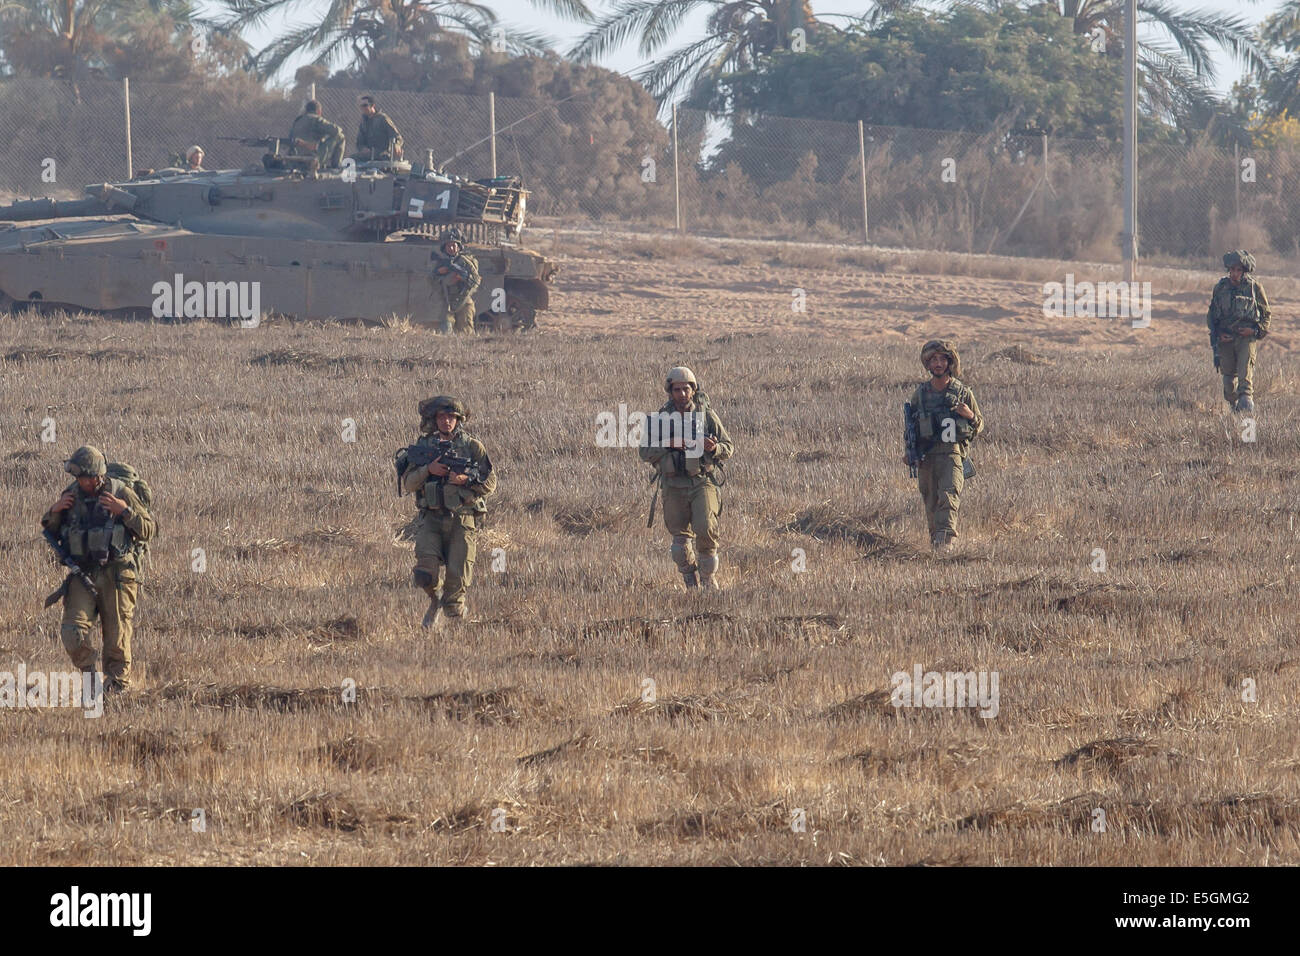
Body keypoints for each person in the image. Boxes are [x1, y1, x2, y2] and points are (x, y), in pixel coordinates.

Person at [40, 446, 156, 694]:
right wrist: (55, 510)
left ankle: (116, 689)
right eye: (77, 477)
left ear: (97, 476)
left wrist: (124, 511)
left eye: (83, 477)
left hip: (117, 574)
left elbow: (149, 529)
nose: (80, 482)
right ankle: (91, 680)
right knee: (72, 632)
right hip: (82, 573)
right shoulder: (71, 494)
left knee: (116, 639)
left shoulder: (120, 492)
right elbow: (51, 531)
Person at [401, 396, 496, 627]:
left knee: (456, 587)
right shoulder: (424, 448)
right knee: (424, 574)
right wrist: (428, 470)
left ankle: (453, 627)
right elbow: (409, 484)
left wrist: (465, 480)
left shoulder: (472, 447)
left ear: (458, 420)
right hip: (430, 520)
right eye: (441, 417)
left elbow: (490, 483)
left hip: (462, 521)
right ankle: (434, 601)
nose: (446, 421)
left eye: (451, 417)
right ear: (434, 420)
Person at [639, 366, 734, 589]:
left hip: (702, 481)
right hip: (673, 485)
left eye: (686, 389)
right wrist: (668, 443)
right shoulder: (659, 419)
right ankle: (690, 580)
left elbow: (728, 447)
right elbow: (644, 451)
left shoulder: (706, 416)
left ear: (693, 390)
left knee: (706, 529)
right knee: (679, 544)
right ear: (670, 391)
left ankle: (708, 582)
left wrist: (715, 447)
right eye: (677, 389)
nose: (682, 394)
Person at [905, 340, 984, 552]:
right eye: (933, 360)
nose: (938, 364)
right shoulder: (920, 395)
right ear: (928, 364)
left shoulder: (962, 393)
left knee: (948, 498)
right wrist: (909, 453)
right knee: (930, 500)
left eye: (942, 359)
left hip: (951, 455)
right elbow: (910, 428)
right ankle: (936, 543)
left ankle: (946, 544)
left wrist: (969, 415)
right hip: (927, 457)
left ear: (950, 363)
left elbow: (979, 424)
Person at [1208, 250, 1271, 413]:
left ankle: (1246, 414)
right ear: (1228, 270)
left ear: (1244, 271)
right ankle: (1233, 407)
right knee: (1229, 383)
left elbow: (1266, 315)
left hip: (1246, 339)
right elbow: (1212, 315)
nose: (1235, 273)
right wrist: (1218, 335)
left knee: (1245, 384)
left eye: (1239, 270)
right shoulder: (1220, 288)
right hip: (1226, 340)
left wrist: (1255, 331)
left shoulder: (1254, 288)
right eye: (1232, 270)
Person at [430, 229, 481, 333]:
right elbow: (431, 279)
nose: (452, 248)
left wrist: (461, 278)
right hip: (447, 302)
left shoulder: (466, 261)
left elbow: (476, 280)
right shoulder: (441, 262)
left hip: (464, 301)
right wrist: (440, 273)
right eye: (449, 246)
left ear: (459, 247)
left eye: (454, 245)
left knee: (466, 332)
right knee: (445, 333)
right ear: (445, 248)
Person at [288, 100, 346, 168]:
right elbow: (336, 130)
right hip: (313, 158)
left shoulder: (297, 121)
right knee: (340, 136)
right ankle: (336, 165)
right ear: (319, 111)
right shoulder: (316, 119)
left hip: (295, 159)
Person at [354, 95, 403, 162]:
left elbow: (397, 136)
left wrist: (396, 145)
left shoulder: (383, 119)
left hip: (383, 155)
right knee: (349, 161)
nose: (363, 108)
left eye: (365, 105)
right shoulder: (363, 122)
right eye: (361, 106)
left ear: (373, 105)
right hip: (368, 156)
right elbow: (359, 142)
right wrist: (363, 148)